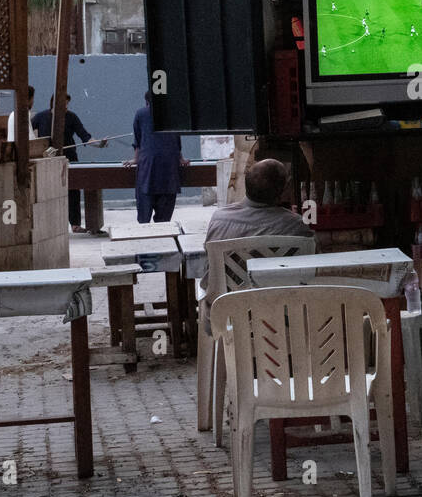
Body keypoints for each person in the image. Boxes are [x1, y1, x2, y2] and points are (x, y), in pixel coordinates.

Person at [201, 159, 314, 328]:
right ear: (284, 189)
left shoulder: (219, 219)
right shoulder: (297, 226)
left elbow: (208, 276)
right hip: (282, 320)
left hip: (227, 317)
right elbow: (311, 274)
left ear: (246, 185)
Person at [32, 93, 105, 232]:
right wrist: (39, 150)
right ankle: (49, 226)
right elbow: (28, 133)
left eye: (67, 104)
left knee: (73, 190)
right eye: (63, 104)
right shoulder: (41, 117)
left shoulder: (72, 117)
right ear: (53, 103)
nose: (66, 107)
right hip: (48, 159)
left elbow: (85, 137)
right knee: (47, 192)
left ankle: (75, 224)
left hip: (70, 159)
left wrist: (99, 144)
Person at [125, 91, 186, 224]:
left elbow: (138, 140)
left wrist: (135, 159)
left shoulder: (141, 114)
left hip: (148, 165)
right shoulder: (172, 113)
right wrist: (181, 159)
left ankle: (145, 225)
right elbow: (177, 140)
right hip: (169, 167)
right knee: (164, 217)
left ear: (146, 102)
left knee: (144, 212)